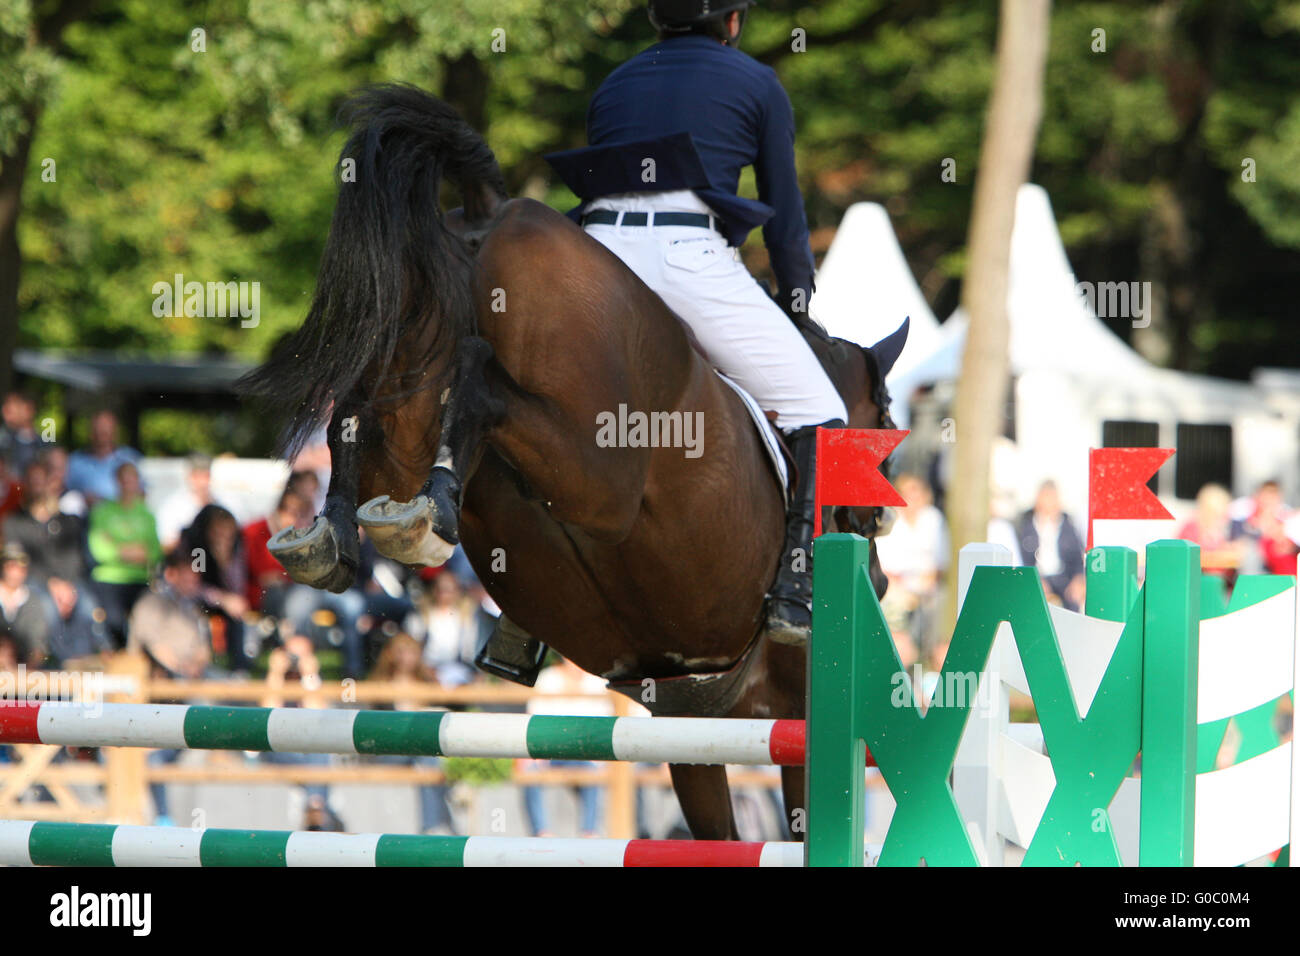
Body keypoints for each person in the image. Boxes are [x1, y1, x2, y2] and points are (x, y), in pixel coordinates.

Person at [545, 0, 846, 642]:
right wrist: (798, 307)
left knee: (546, 408)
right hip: (685, 252)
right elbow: (787, 219)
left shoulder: (615, 81)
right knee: (820, 410)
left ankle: (527, 611)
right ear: (731, 21)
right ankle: (796, 586)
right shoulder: (759, 82)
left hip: (593, 254)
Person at [520, 655, 610, 838]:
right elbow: (535, 718)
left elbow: (603, 724)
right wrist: (539, 752)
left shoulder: (597, 683)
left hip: (583, 754)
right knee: (530, 773)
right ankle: (541, 831)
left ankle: (589, 831)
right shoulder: (548, 678)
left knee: (594, 773)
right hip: (551, 751)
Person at [87, 461, 162, 647]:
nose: (128, 484)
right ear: (117, 482)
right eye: (124, 480)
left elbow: (155, 552)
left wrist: (119, 548)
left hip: (139, 579)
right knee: (113, 620)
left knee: (148, 620)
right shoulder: (103, 512)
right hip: (109, 578)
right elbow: (99, 550)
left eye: (132, 480)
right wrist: (134, 551)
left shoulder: (147, 515)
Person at [874, 474, 948, 657]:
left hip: (926, 589)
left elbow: (939, 567)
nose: (912, 501)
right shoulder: (890, 518)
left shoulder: (934, 520)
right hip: (895, 588)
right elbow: (885, 567)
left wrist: (920, 587)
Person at [182, 504, 252, 672]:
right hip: (195, 601)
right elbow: (194, 586)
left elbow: (236, 587)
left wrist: (225, 562)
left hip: (222, 604)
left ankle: (239, 668)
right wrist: (222, 598)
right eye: (218, 530)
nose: (224, 536)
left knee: (236, 616)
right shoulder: (197, 549)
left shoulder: (236, 547)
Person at [1017, 481, 1086, 611]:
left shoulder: (1068, 527)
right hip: (1038, 577)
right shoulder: (1025, 527)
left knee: (1071, 607)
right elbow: (1021, 559)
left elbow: (1078, 558)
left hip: (1064, 578)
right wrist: (1033, 579)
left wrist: (1078, 579)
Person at [66, 409, 141, 505]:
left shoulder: (130, 458)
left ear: (115, 432)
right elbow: (64, 492)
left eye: (105, 431)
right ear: (91, 433)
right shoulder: (75, 461)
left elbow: (142, 493)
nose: (101, 435)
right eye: (98, 430)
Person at [156, 453, 225, 552]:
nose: (203, 482)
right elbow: (166, 545)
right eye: (198, 476)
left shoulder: (219, 503)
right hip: (188, 563)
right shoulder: (173, 507)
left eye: (206, 475)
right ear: (190, 476)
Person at [0, 544, 49, 666]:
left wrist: (24, 671)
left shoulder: (33, 602)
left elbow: (38, 646)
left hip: (23, 670)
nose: (15, 572)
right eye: (10, 566)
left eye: (20, 567)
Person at [0, 392, 40, 473]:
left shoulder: (44, 443)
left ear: (29, 409)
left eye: (14, 406)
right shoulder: (3, 440)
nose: (4, 411)